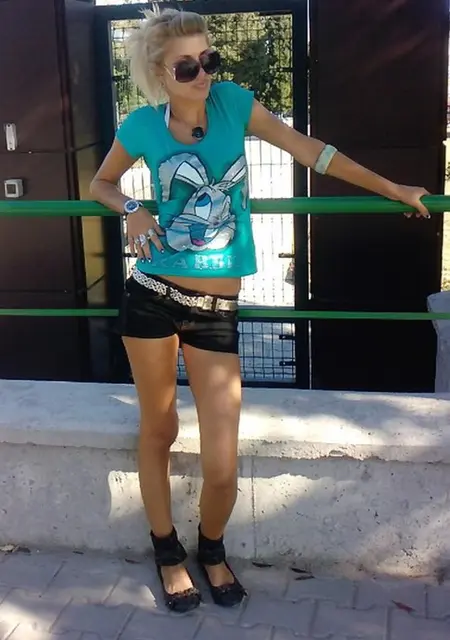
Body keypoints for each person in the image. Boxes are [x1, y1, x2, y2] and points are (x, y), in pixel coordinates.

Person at [90, 7, 430, 613]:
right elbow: (100, 183)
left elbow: (313, 152)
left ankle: (212, 548)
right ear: (161, 74)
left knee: (223, 460)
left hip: (215, 308)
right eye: (187, 67)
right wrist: (132, 209)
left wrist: (394, 188)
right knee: (159, 430)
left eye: (209, 60)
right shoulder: (141, 126)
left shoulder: (234, 105)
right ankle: (168, 554)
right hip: (150, 298)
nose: (203, 74)